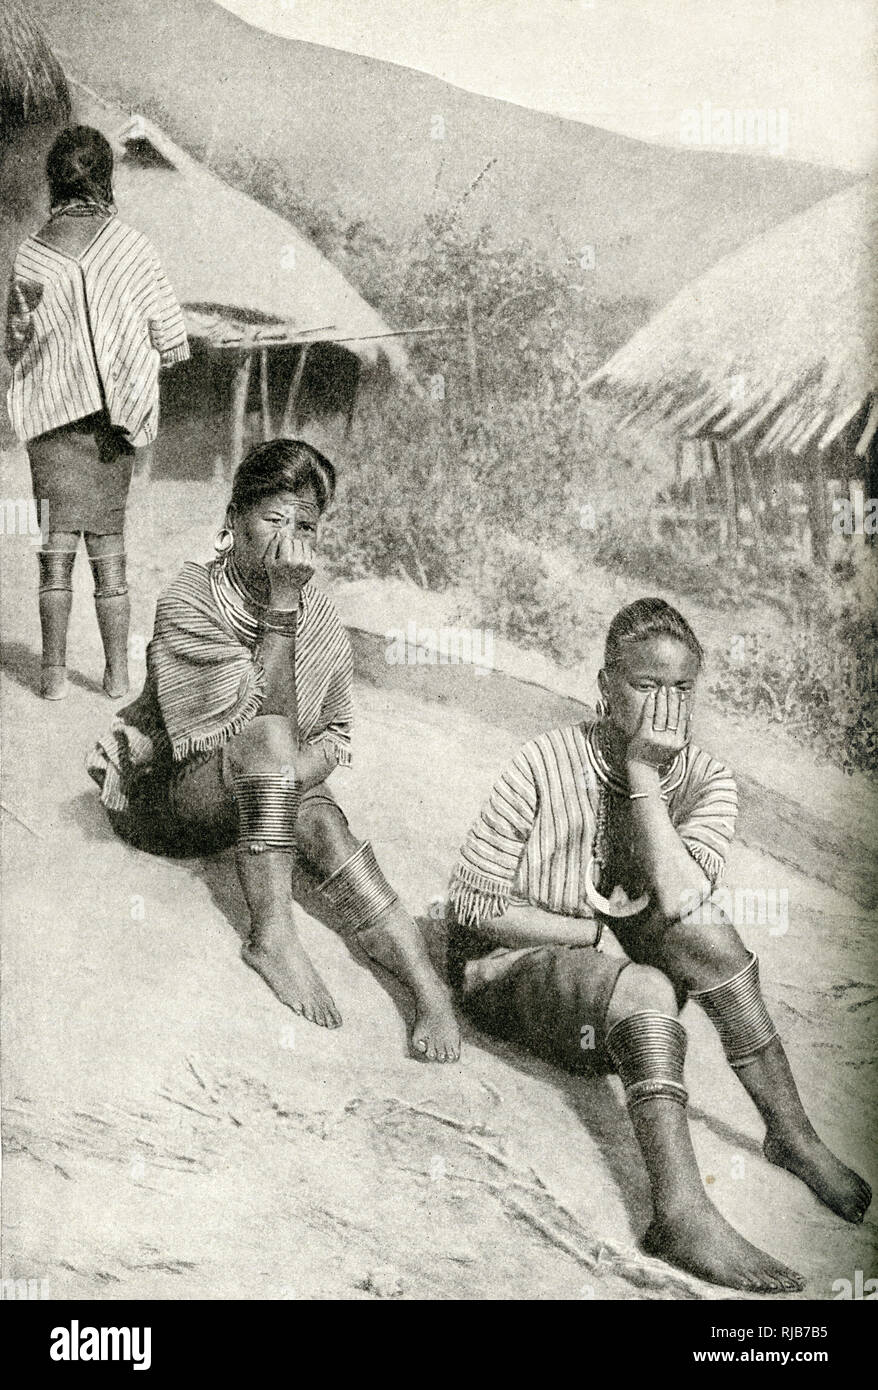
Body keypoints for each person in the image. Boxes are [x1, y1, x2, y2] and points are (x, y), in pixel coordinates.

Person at [447, 597, 870, 1291]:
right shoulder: (544, 761)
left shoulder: (707, 780)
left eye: (681, 689)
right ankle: (680, 1212)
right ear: (606, 688)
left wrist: (644, 778)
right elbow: (470, 905)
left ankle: (791, 1133)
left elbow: (680, 899)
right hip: (508, 963)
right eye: (645, 686)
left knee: (716, 946)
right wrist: (585, 931)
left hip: (600, 958)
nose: (664, 706)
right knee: (645, 988)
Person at [87, 438, 460, 1062]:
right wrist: (281, 607)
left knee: (326, 826)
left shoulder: (319, 613)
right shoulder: (191, 598)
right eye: (273, 518)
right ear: (233, 518)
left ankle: (427, 987)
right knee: (268, 742)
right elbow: (260, 725)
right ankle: (271, 934)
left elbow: (335, 735)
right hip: (173, 800)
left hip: (261, 790)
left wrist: (293, 784)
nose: (289, 537)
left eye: (305, 525)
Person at [5, 124, 189, 701]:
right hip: (114, 422)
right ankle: (117, 676)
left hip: (53, 423)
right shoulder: (132, 247)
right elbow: (171, 336)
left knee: (55, 549)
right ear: (105, 181)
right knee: (109, 547)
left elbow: (14, 341)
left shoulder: (31, 255)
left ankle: (54, 676)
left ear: (54, 182)